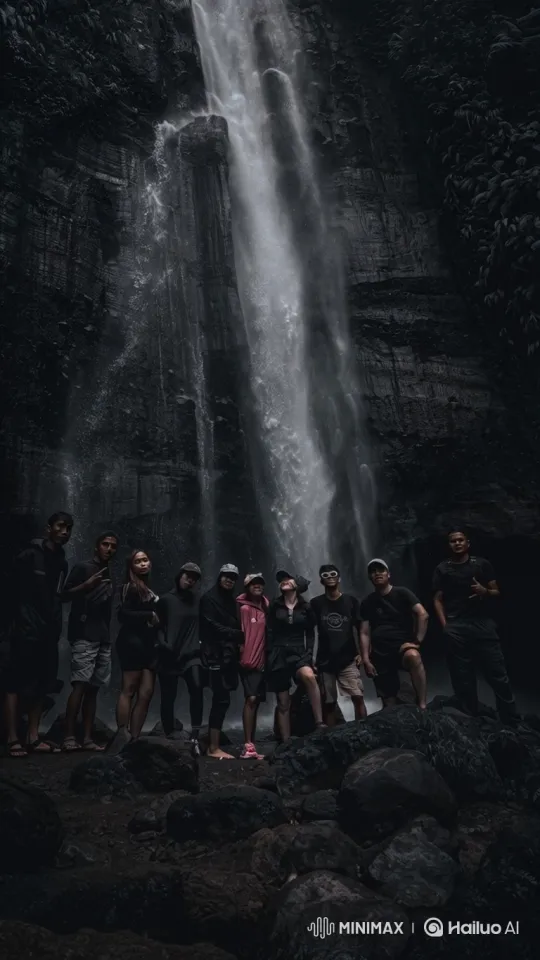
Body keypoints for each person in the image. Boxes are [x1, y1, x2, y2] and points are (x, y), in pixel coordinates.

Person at [3, 511, 73, 757]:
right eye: (61, 527)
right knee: (15, 682)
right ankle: (13, 738)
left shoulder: (62, 561)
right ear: (48, 528)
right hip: (24, 630)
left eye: (69, 529)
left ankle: (33, 736)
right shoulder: (27, 556)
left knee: (42, 683)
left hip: (48, 632)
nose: (65, 532)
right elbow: (11, 591)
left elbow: (57, 597)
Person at [432, 528, 519, 724]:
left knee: (497, 672)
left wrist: (484, 591)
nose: (457, 543)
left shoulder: (482, 564)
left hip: (482, 623)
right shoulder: (442, 569)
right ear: (449, 545)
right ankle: (471, 716)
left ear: (467, 543)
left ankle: (511, 719)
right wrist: (446, 626)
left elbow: (497, 592)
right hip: (456, 626)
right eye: (453, 541)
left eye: (461, 540)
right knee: (462, 675)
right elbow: (437, 599)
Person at [61, 531, 119, 752]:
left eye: (113, 545)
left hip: (103, 637)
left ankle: (86, 738)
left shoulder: (109, 573)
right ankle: (68, 736)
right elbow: (64, 595)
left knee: (93, 689)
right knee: (80, 685)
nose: (109, 548)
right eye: (105, 544)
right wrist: (87, 585)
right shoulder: (83, 568)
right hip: (84, 635)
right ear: (96, 547)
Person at [360, 558, 428, 710]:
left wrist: (417, 641)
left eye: (381, 570)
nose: (377, 574)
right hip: (379, 653)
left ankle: (422, 704)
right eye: (373, 571)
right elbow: (364, 632)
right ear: (369, 577)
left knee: (414, 656)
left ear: (388, 574)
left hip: (401, 646)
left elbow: (423, 614)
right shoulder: (367, 602)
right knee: (388, 703)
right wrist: (365, 659)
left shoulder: (402, 593)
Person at [266, 570, 325, 743]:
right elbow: (269, 631)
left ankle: (319, 723)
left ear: (297, 586)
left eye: (287, 579)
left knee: (309, 676)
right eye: (281, 580)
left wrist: (308, 655)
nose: (283, 581)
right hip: (279, 653)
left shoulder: (306, 607)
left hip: (299, 652)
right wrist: (269, 654)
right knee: (283, 701)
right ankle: (286, 740)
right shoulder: (275, 605)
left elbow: (311, 633)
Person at [157, 562, 204, 757]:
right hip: (169, 654)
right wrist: (163, 644)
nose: (190, 579)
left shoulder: (197, 600)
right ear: (180, 575)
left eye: (194, 577)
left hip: (191, 654)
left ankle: (195, 735)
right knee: (168, 695)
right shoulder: (166, 600)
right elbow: (157, 625)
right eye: (188, 575)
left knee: (197, 686)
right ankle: (169, 732)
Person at [311, 564, 367, 724]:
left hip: (348, 658)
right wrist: (311, 658)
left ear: (339, 578)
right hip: (324, 661)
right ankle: (331, 735)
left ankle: (363, 730)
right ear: (321, 580)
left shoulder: (351, 601)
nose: (329, 577)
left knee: (357, 696)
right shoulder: (316, 603)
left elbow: (362, 629)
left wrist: (363, 655)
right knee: (328, 703)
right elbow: (308, 631)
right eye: (325, 575)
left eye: (333, 574)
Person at [115, 549, 159, 742]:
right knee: (129, 689)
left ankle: (135, 737)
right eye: (138, 561)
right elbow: (122, 615)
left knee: (147, 692)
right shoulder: (130, 587)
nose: (143, 564)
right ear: (131, 566)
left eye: (145, 560)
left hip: (149, 643)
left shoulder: (145, 587)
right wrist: (149, 615)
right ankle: (122, 735)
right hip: (131, 641)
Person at [200, 563, 243, 759]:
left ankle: (212, 743)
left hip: (228, 655)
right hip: (213, 655)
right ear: (219, 577)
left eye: (233, 578)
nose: (229, 580)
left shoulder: (232, 601)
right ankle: (213, 747)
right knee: (220, 698)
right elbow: (211, 625)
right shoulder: (209, 599)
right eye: (226, 576)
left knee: (222, 699)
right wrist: (238, 634)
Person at [236, 573, 269, 759]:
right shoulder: (242, 608)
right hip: (248, 661)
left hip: (263, 661)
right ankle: (247, 744)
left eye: (260, 583)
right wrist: (242, 656)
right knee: (251, 699)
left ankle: (252, 744)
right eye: (253, 583)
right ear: (246, 587)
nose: (257, 586)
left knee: (255, 701)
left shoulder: (266, 605)